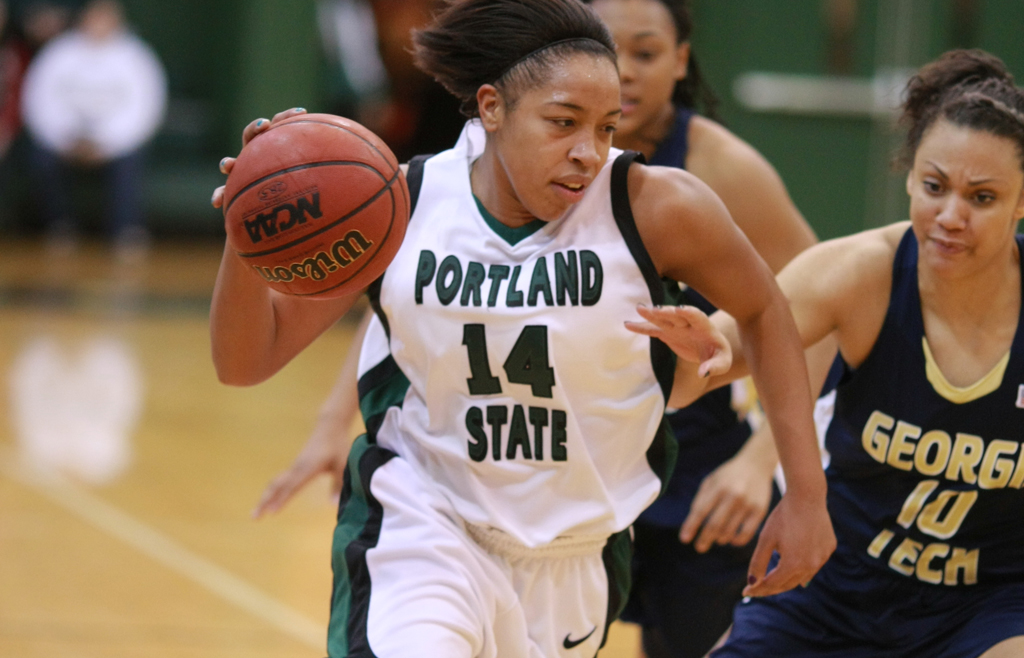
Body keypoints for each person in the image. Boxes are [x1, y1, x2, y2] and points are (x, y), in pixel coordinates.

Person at [211, 1, 835, 656]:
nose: (587, 152)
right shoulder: (402, 205)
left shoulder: (658, 207)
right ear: (491, 107)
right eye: (563, 123)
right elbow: (245, 361)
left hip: (574, 555)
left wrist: (803, 494)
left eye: (605, 127)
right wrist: (248, 235)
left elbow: (770, 310)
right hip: (424, 526)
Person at [634, 48, 1024, 658]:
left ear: (1022, 202)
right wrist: (701, 349)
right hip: (837, 586)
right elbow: (738, 340)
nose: (950, 216)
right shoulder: (861, 272)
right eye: (934, 187)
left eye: (982, 197)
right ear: (908, 177)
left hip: (989, 605)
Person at [20, 0, 166, 259]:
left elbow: (145, 110)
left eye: (106, 17)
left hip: (115, 146)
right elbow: (39, 101)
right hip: (66, 143)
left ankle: (125, 231)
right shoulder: (59, 52)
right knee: (42, 161)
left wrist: (105, 143)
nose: (99, 23)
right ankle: (59, 226)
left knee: (130, 163)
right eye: (94, 16)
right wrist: (66, 139)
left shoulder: (135, 55)